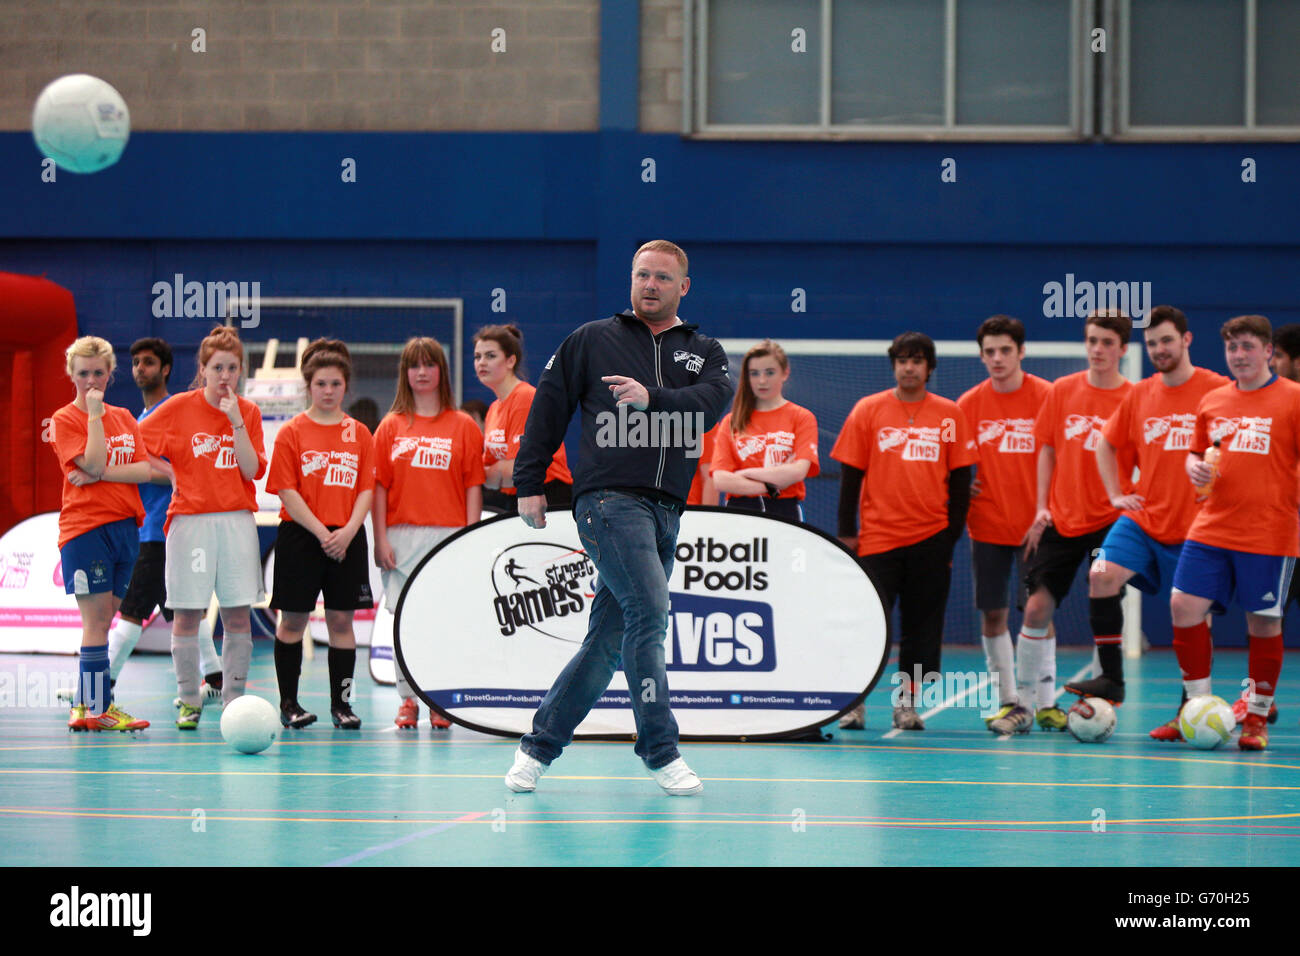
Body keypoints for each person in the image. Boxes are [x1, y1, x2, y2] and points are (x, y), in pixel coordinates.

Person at [503, 239, 731, 796]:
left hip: (667, 510)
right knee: (650, 614)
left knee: (607, 641)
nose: (649, 285)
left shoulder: (704, 349)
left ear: (684, 287)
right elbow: (547, 410)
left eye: (661, 277)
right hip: (607, 503)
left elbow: (715, 400)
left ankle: (537, 749)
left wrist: (651, 398)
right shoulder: (590, 340)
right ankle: (660, 749)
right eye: (641, 275)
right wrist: (529, 483)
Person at [1059, 307, 1229, 738]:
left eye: (1166, 341)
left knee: (1195, 616)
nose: (1159, 350)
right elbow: (1105, 444)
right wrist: (1117, 493)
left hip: (1198, 525)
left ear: (1186, 340)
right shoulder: (1140, 394)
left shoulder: (1217, 390)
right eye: (1152, 343)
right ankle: (1112, 679)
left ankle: (1190, 708)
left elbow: (1236, 446)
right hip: (1145, 518)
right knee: (1100, 574)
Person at [59, 337, 225, 707]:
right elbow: (114, 466)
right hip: (126, 529)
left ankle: (99, 691)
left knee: (150, 609)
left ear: (166, 368)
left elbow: (150, 469)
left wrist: (105, 473)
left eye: (148, 363)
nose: (140, 369)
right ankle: (98, 694)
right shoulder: (126, 418)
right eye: (135, 363)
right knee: (158, 610)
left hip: (159, 528)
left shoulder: (163, 414)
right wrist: (112, 469)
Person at [832, 332, 977, 731]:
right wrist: (848, 535)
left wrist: (950, 536)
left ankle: (907, 704)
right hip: (877, 539)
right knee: (866, 625)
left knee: (923, 630)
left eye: (917, 360)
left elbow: (962, 480)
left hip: (931, 540)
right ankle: (854, 704)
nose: (909, 367)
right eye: (902, 360)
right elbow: (850, 477)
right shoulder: (868, 410)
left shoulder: (950, 415)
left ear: (929, 368)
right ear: (894, 365)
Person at [1170, 314, 1300, 751]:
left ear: (1267, 351)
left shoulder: (1293, 399)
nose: (1239, 355)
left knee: (1263, 622)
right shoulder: (1213, 402)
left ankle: (1257, 718)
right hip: (1211, 526)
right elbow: (1192, 456)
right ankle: (1197, 707)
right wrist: (1194, 467)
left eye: (1247, 346)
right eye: (1232, 348)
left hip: (1269, 532)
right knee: (1183, 605)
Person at [140, 326, 267, 730]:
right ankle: (190, 700)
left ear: (240, 370)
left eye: (232, 367)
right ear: (203, 369)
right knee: (187, 615)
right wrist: (170, 472)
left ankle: (234, 699)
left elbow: (251, 469)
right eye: (217, 367)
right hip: (190, 522)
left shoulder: (247, 411)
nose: (225, 375)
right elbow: (136, 441)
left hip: (235, 522)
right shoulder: (179, 407)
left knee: (236, 616)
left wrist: (235, 422)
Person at [1018, 311, 1134, 731]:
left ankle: (1113, 682)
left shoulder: (1135, 396)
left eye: (1107, 342)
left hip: (1112, 519)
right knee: (1035, 609)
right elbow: (1046, 449)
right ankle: (1025, 704)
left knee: (1103, 585)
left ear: (1123, 349)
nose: (1098, 349)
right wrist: (1040, 507)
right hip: (1063, 517)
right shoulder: (1063, 390)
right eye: (1092, 341)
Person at [372, 337, 484, 730]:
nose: (421, 372)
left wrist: (469, 538)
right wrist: (380, 538)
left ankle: (439, 699)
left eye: (429, 364)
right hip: (401, 538)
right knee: (404, 623)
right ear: (405, 373)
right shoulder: (389, 426)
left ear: (441, 371)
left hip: (449, 536)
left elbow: (473, 485)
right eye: (414, 365)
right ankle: (408, 700)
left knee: (442, 623)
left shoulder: (464, 425)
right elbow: (379, 488)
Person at [267, 340, 375, 730]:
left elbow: (366, 488)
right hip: (301, 536)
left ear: (345, 386)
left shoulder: (360, 433)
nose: (328, 391)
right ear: (308, 386)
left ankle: (341, 706)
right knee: (293, 620)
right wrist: (321, 532)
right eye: (320, 384)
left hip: (347, 538)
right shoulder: (291, 433)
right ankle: (289, 705)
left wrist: (346, 532)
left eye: (335, 384)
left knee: (341, 622)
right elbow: (286, 490)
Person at [955, 316, 1052, 734]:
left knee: (1038, 613)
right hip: (988, 524)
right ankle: (1009, 700)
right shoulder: (967, 404)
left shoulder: (1047, 396)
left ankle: (1045, 703)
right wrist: (962, 484)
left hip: (1037, 527)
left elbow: (1062, 455)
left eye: (1005, 350)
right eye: (989, 352)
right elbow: (953, 462)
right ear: (981, 356)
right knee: (993, 615)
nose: (997, 358)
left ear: (1021, 352)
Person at [53, 336, 151, 732]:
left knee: (105, 618)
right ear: (71, 375)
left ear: (111, 374)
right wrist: (93, 417)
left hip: (126, 528)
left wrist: (101, 473)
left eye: (98, 373)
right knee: (95, 622)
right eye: (83, 373)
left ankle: (84, 705)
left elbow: (143, 471)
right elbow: (89, 459)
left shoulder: (126, 417)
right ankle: (98, 708)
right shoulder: (65, 420)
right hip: (86, 528)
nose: (91, 380)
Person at [711, 339, 818, 521]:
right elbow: (721, 479)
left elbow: (798, 471)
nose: (762, 380)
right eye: (754, 373)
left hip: (784, 510)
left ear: (785, 373)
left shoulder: (801, 417)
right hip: (740, 511)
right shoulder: (732, 421)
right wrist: (771, 484)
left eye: (769, 373)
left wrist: (745, 474)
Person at [474, 324, 573, 514]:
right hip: (515, 498)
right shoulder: (494, 408)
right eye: (477, 357)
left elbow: (517, 470)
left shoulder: (524, 397)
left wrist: (488, 474)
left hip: (550, 496)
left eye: (490, 356)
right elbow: (487, 468)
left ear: (511, 361)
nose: (481, 363)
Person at [686, 424, 718, 507]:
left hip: (691, 511)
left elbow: (710, 477)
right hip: (662, 505)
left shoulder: (704, 423)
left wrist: (708, 516)